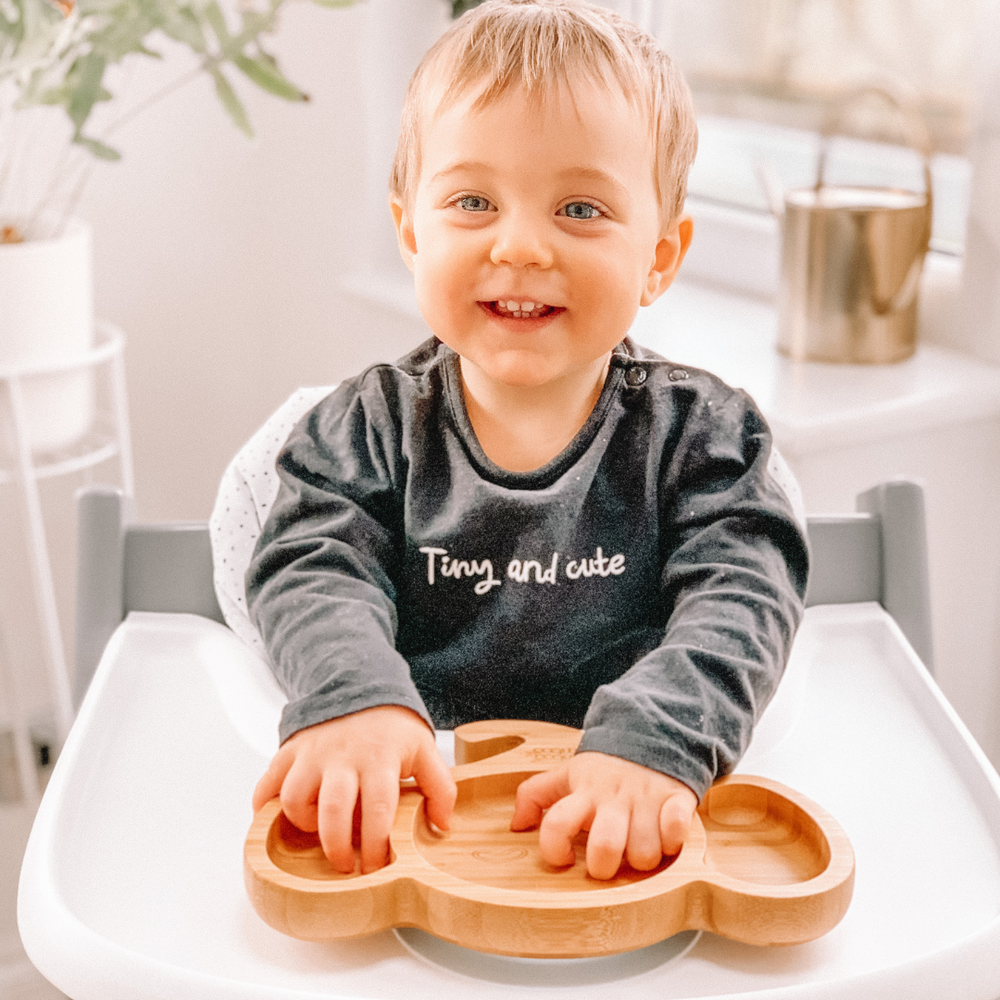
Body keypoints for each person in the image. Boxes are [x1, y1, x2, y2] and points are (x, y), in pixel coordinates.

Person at [246, 0, 809, 883]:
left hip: (627, 832)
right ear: (411, 232)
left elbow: (743, 595)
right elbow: (313, 567)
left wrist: (659, 742)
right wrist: (351, 701)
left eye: (580, 207)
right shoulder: (360, 433)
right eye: (473, 201)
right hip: (416, 825)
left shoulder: (706, 441)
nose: (520, 245)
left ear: (660, 258)